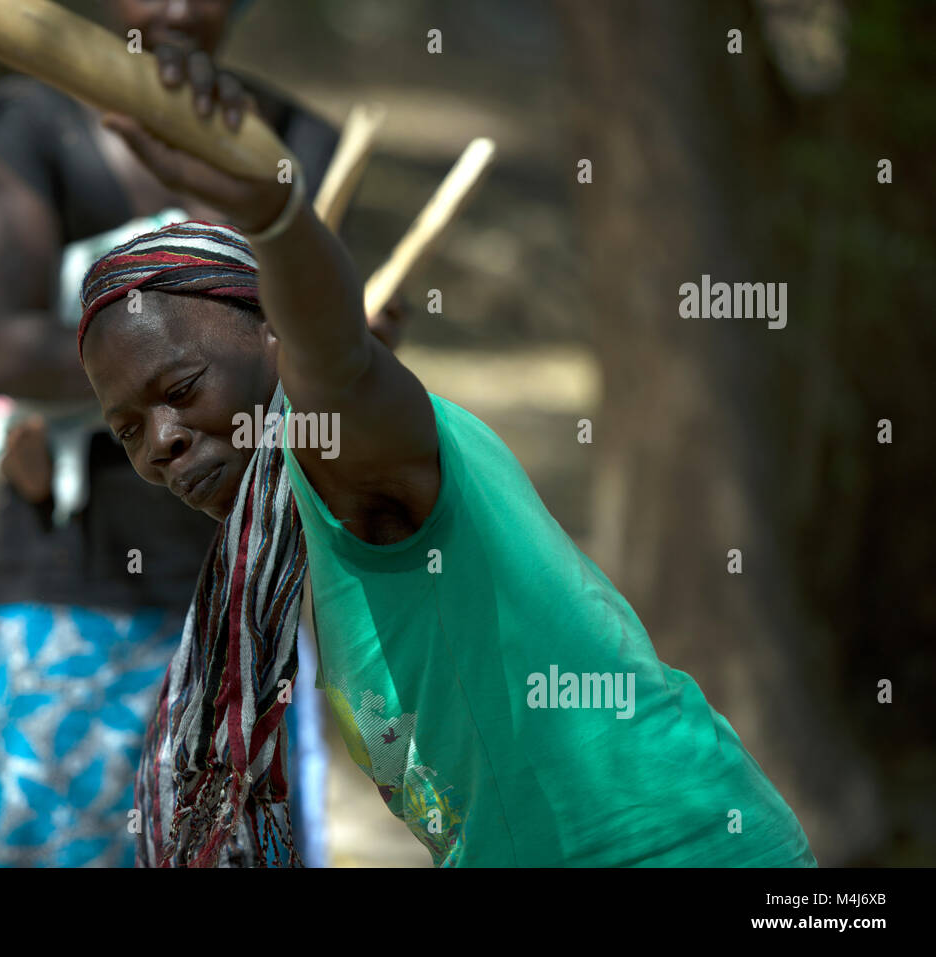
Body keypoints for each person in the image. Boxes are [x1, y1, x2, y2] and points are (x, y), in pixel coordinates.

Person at [71, 63, 820, 867]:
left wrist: (273, 211)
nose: (161, 442)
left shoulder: (341, 456)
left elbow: (340, 366)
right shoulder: (290, 535)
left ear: (272, 337)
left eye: (181, 388)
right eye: (126, 431)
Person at [0, 0, 393, 867]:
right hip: (73, 592)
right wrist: (207, 346)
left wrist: (346, 345)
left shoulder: (295, 140)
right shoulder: (33, 125)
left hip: (252, 593)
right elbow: (1, 348)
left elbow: (306, 357)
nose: (181, 7)